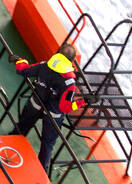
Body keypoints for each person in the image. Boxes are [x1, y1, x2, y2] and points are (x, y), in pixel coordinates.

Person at [12, 42, 85, 173]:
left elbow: (22, 70)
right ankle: (41, 173)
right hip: (53, 116)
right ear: (72, 61)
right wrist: (81, 102)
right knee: (47, 144)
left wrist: (19, 60)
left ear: (58, 53)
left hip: (35, 105)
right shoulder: (69, 83)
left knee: (21, 127)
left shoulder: (44, 66)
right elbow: (65, 107)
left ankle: (8, 143)